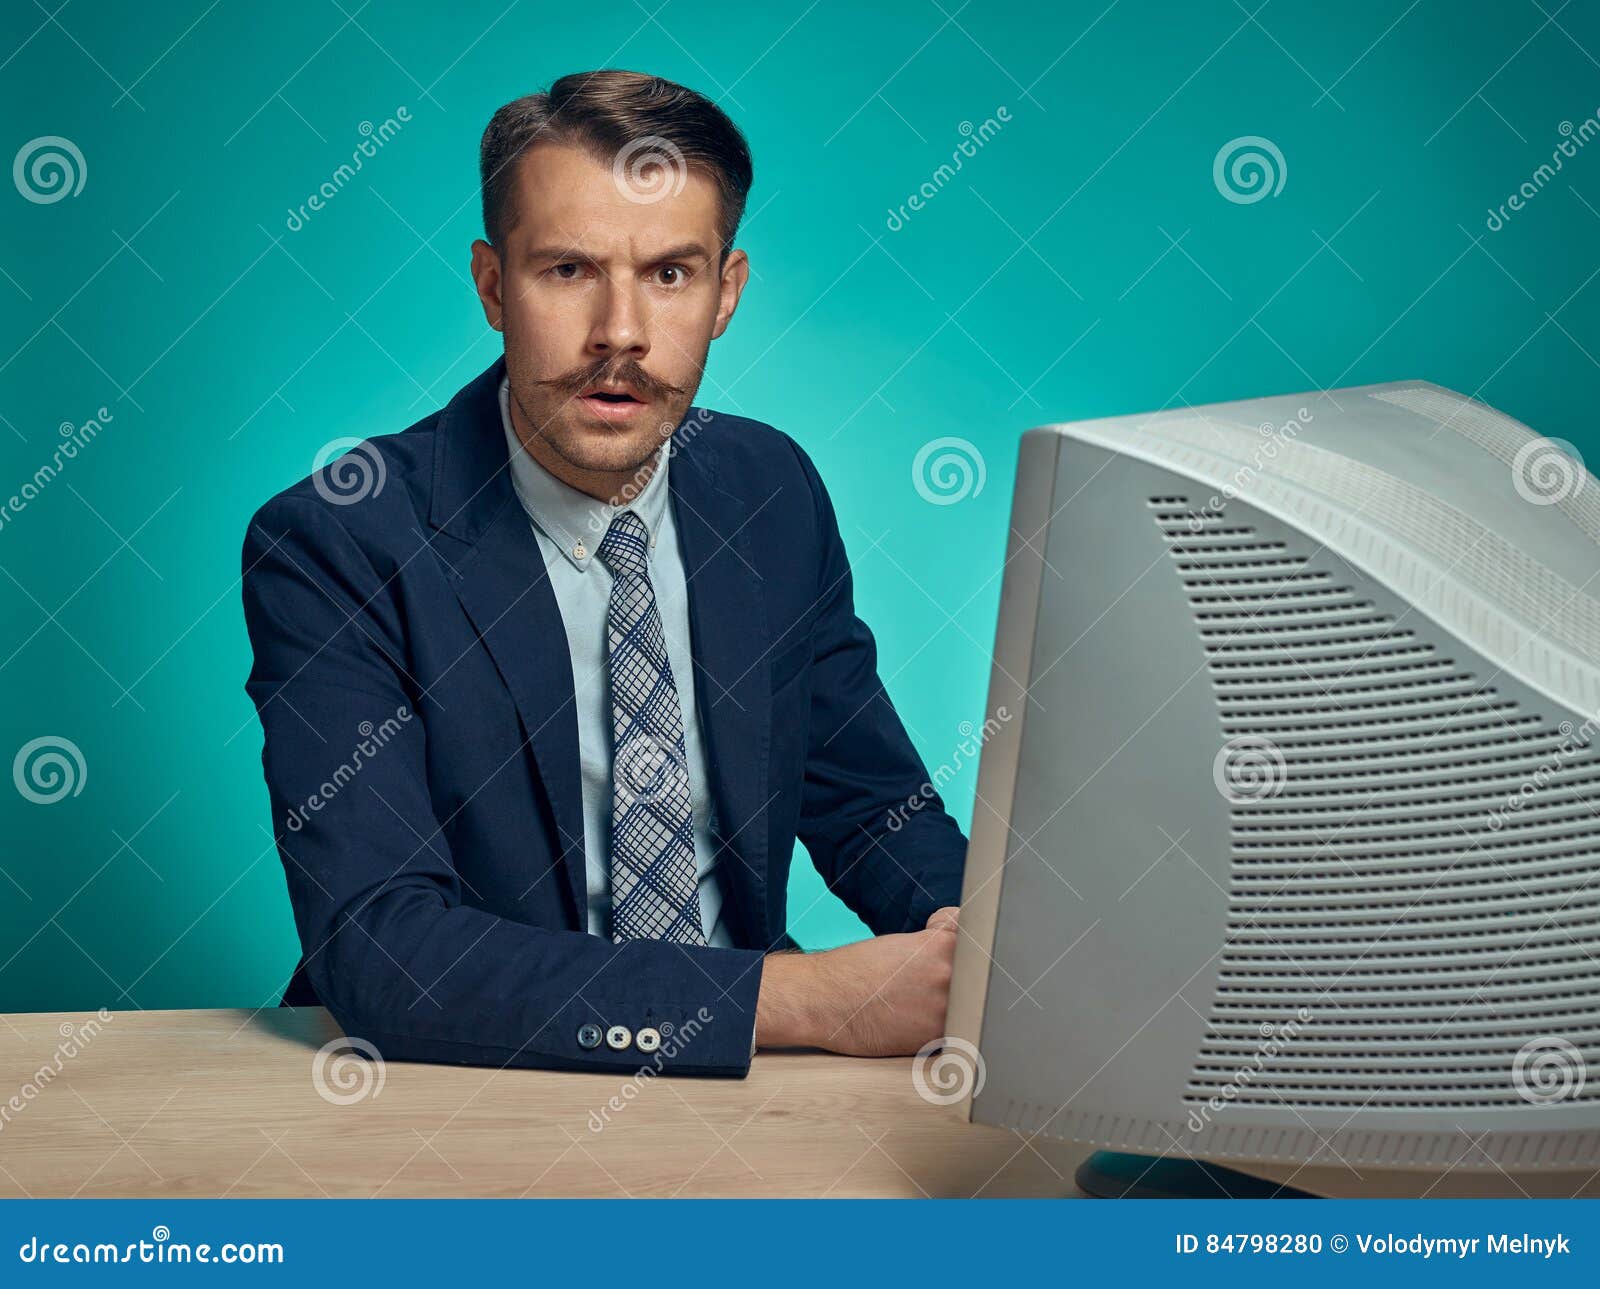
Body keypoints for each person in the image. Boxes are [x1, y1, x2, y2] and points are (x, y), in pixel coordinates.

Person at [241, 69, 967, 1075]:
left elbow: (869, 805)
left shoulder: (770, 490)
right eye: (570, 270)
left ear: (726, 291)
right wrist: (802, 999)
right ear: (494, 286)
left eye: (670, 273)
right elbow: (384, 949)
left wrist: (983, 948)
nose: (620, 332)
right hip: (467, 1082)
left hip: (754, 1088)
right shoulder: (335, 540)